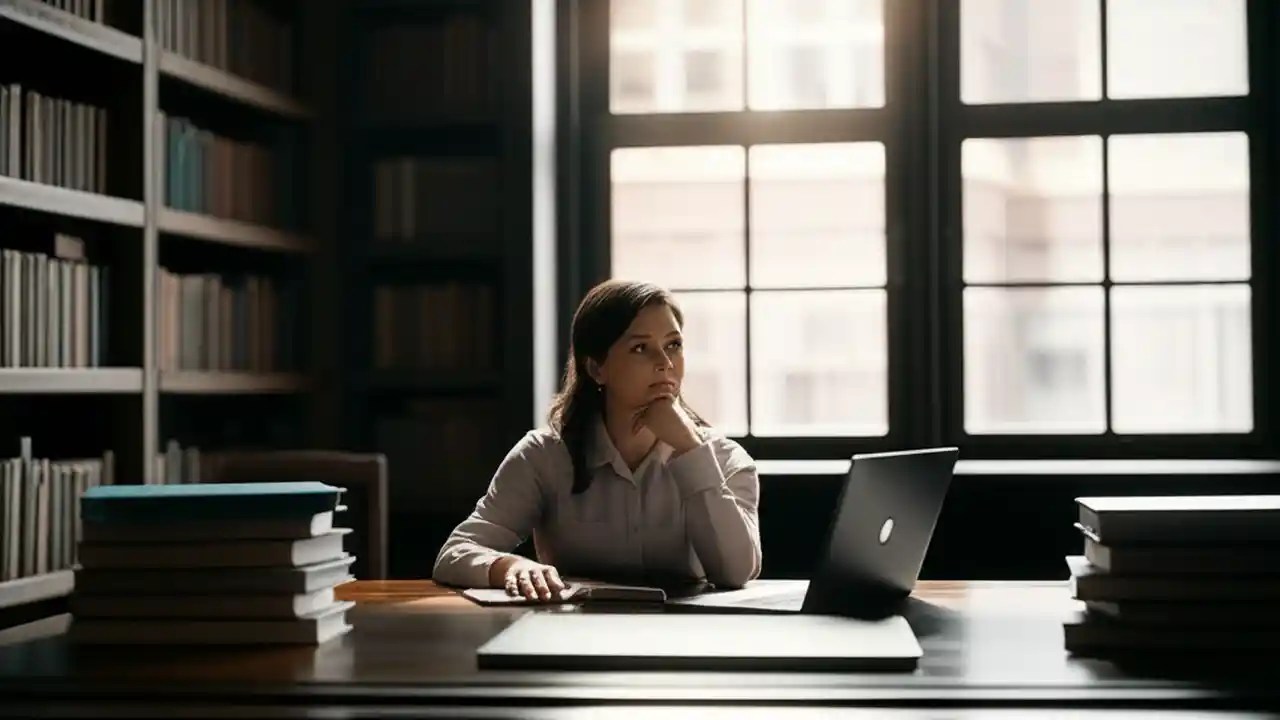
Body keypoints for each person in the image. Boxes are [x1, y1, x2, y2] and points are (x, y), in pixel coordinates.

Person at [432, 279, 762, 601]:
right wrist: (509, 565)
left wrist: (690, 450)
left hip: (686, 644)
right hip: (569, 640)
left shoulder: (725, 459)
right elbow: (456, 552)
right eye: (640, 348)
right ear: (596, 368)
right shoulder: (545, 455)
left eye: (673, 345)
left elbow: (735, 572)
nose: (665, 363)